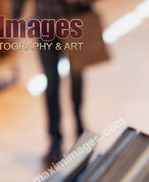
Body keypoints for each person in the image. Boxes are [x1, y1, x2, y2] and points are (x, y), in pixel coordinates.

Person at [11, 0, 92, 165]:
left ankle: (79, 127)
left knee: (76, 77)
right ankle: (54, 139)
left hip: (75, 21)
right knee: (51, 82)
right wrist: (14, 17)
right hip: (45, 24)